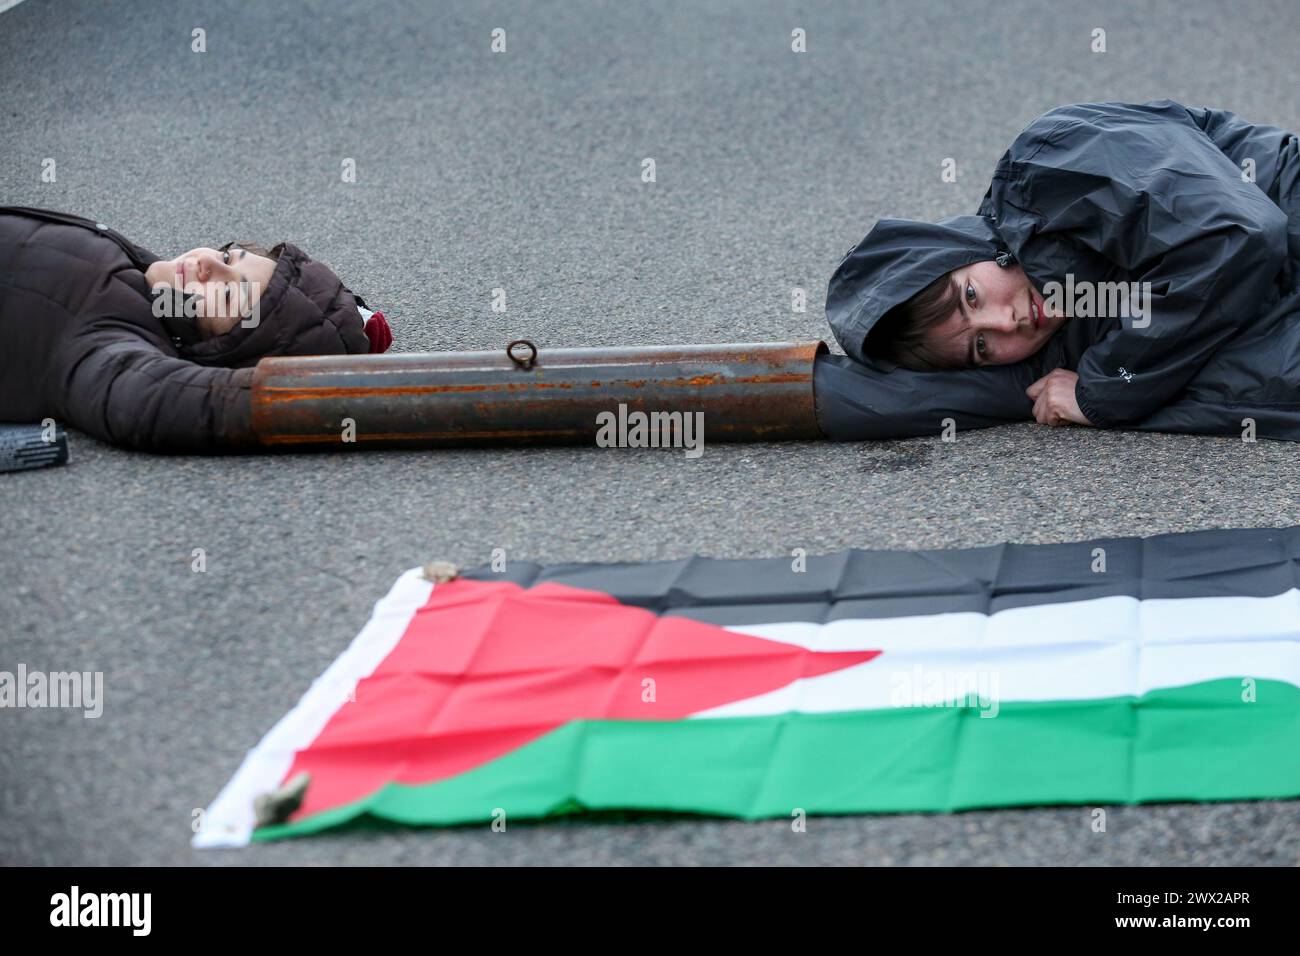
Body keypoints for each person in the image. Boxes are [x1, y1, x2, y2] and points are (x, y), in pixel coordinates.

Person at [824, 100, 1300, 433]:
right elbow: (912, 396)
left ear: (965, 250)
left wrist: (1111, 387)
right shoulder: (1054, 350)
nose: (1007, 322)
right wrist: (757, 389)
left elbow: (1238, 236)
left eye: (971, 296)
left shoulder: (1053, 160)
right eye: (981, 346)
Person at [0, 206, 392, 452]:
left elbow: (162, 400)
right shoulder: (148, 284)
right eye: (228, 257)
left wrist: (323, 398)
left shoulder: (114, 345)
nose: (208, 266)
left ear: (221, 351)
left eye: (224, 293)